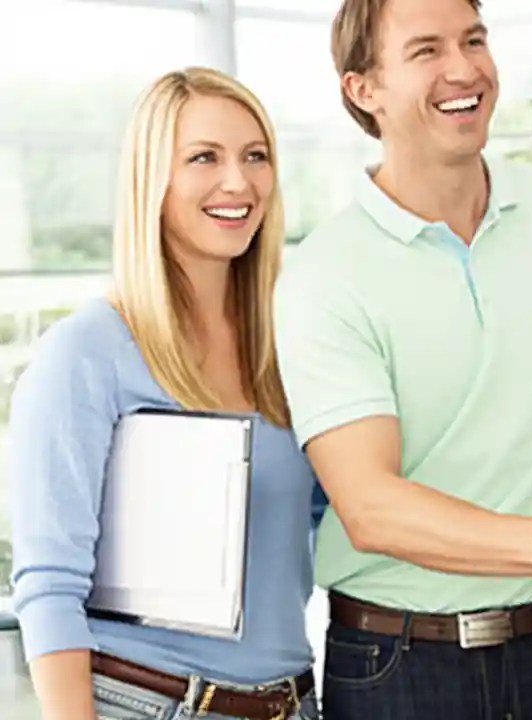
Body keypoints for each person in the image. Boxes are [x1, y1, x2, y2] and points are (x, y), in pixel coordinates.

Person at [270, 1, 532, 719]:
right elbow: (372, 508)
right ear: (363, 89)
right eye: (426, 50)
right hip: (397, 665)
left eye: (474, 40)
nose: (464, 69)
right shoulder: (326, 274)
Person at [8, 68, 322, 720]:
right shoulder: (88, 351)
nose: (238, 181)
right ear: (154, 178)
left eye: (255, 156)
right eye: (204, 157)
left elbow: (333, 520)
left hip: (291, 703)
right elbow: (48, 587)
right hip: (145, 703)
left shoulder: (288, 346)